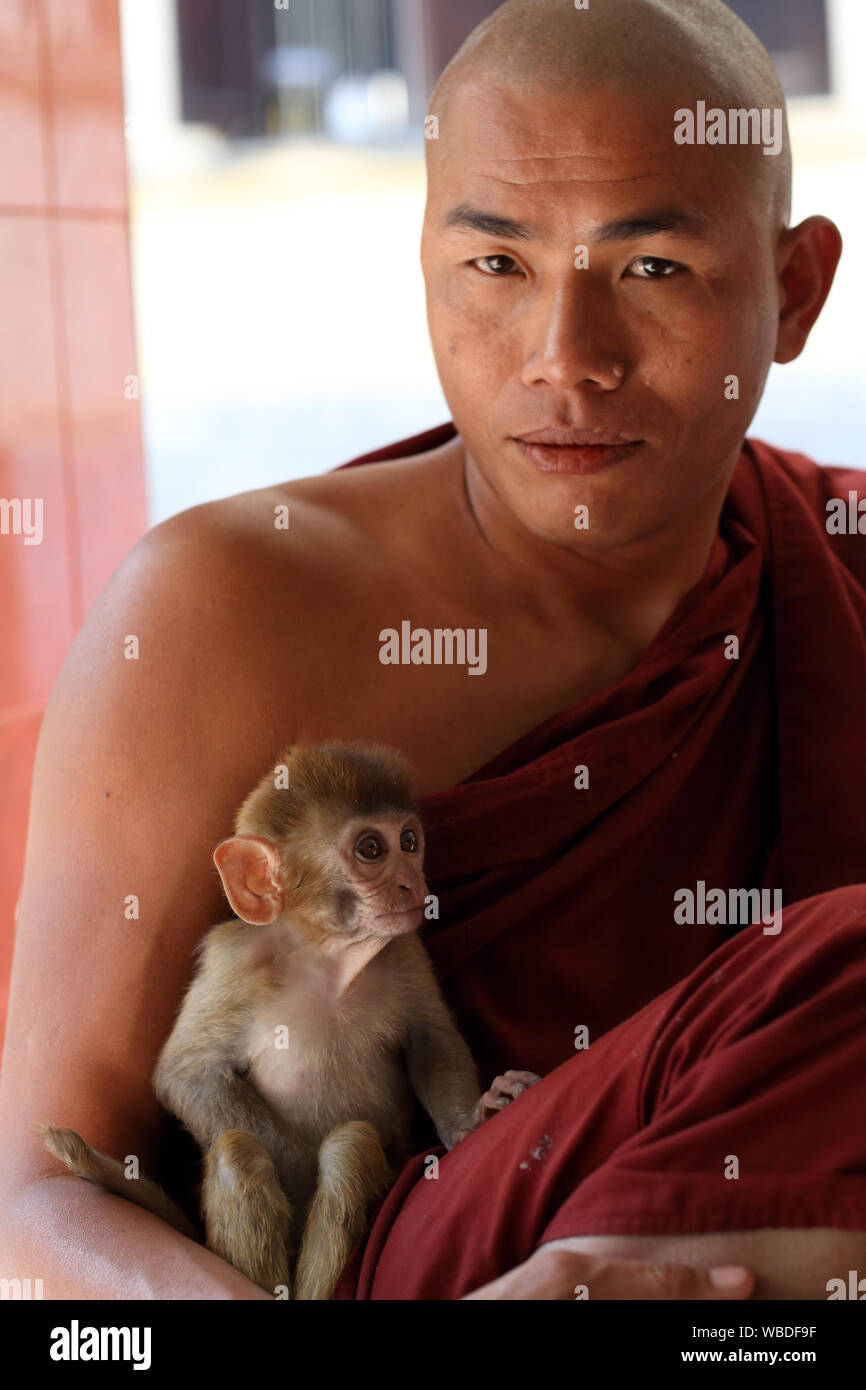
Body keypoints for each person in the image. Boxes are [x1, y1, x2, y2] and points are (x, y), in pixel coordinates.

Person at [1, 0, 864, 1301]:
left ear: (791, 288)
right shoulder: (224, 604)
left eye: (651, 269)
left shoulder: (835, 555)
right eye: (496, 267)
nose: (565, 359)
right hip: (387, 1256)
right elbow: (42, 1191)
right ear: (424, 267)